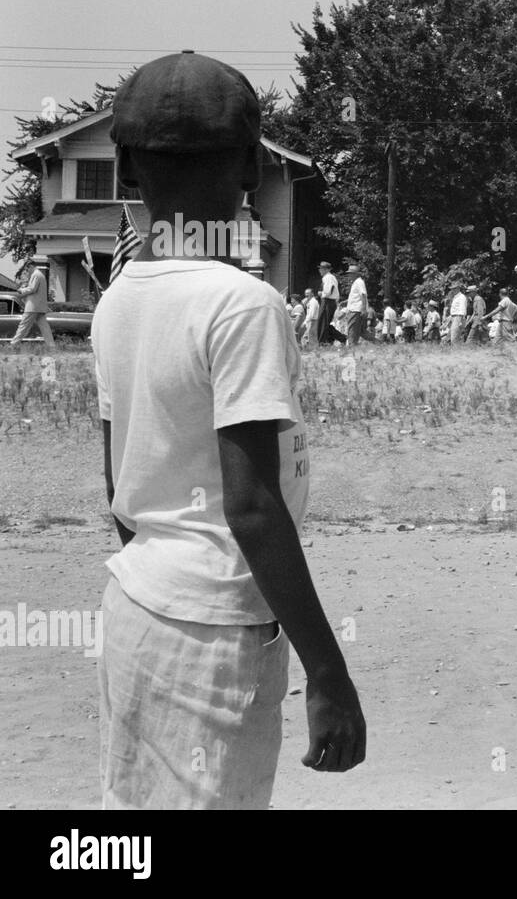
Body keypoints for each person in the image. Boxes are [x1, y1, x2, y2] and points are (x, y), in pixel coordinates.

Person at [95, 50, 364, 810]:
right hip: (215, 631)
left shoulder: (118, 300)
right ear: (251, 166)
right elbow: (251, 505)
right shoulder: (243, 304)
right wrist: (329, 673)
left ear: (124, 172)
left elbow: (118, 488)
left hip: (135, 603)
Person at [7, 254, 55, 348]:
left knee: (23, 326)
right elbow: (33, 288)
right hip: (39, 306)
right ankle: (52, 346)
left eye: (27, 269)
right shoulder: (39, 275)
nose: (27, 271)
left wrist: (21, 290)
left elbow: (32, 289)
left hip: (33, 306)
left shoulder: (36, 275)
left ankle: (13, 345)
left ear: (31, 266)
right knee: (45, 327)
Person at [343, 257, 368, 347]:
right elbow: (356, 296)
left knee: (352, 329)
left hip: (355, 310)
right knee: (361, 332)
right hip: (355, 309)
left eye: (350, 273)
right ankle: (379, 343)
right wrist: (345, 301)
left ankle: (351, 346)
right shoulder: (356, 282)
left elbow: (363, 295)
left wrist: (364, 309)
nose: (349, 275)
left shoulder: (359, 282)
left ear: (355, 274)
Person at [317, 261, 339, 345]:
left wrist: (322, 294)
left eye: (321, 269)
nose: (319, 270)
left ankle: (322, 343)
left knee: (322, 323)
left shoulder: (328, 277)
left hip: (327, 301)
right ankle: (334, 339)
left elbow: (329, 290)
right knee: (325, 323)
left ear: (325, 269)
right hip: (329, 301)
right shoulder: (330, 277)